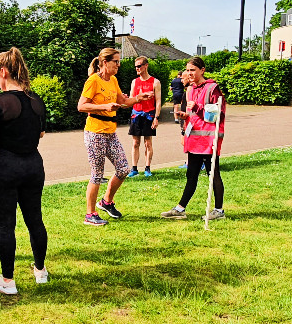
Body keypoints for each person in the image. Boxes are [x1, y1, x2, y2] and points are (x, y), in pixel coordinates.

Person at [0, 47, 49, 294]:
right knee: (35, 220)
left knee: (5, 225)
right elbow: (40, 132)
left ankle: (8, 281)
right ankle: (40, 271)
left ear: (4, 71)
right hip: (33, 165)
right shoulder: (36, 100)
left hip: (6, 166)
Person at [77, 46, 145, 225]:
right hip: (95, 133)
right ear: (104, 63)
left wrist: (139, 98)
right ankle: (90, 214)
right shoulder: (93, 81)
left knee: (123, 169)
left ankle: (106, 201)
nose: (118, 65)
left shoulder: (112, 80)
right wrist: (103, 107)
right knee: (97, 174)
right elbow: (81, 106)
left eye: (119, 61)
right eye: (116, 61)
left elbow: (122, 101)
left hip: (110, 132)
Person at [161, 57, 227, 219]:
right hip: (195, 139)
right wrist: (185, 116)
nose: (189, 73)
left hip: (209, 139)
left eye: (193, 70)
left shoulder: (212, 88)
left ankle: (219, 211)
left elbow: (219, 114)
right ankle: (180, 209)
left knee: (213, 173)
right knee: (191, 174)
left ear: (202, 70)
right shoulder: (190, 89)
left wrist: (197, 108)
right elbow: (193, 115)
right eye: (187, 70)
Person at [127, 57, 161, 177]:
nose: (137, 68)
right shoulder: (134, 82)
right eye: (136, 66)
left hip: (149, 115)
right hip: (136, 114)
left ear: (146, 66)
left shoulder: (155, 82)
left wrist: (156, 117)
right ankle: (134, 168)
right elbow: (131, 99)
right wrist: (141, 96)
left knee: (148, 143)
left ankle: (147, 168)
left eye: (139, 66)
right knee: (135, 143)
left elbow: (158, 101)